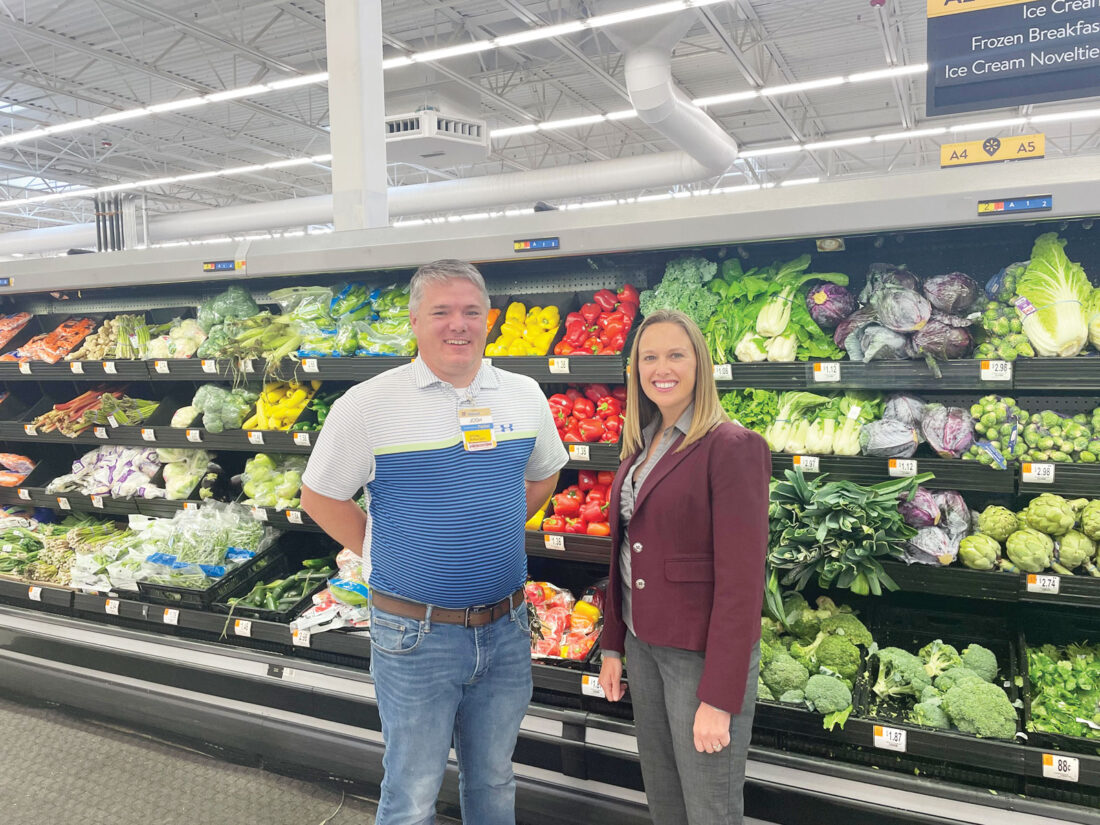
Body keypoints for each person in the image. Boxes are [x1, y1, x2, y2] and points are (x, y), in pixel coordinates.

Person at [300, 259, 567, 825]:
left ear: (489, 320)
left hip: (506, 629)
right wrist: (386, 547)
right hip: (413, 635)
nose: (458, 325)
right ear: (415, 320)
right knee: (413, 791)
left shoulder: (523, 395)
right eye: (441, 312)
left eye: (471, 311)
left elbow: (546, 472)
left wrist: (493, 524)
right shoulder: (368, 405)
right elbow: (319, 496)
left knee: (495, 778)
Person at [596, 308, 771, 825]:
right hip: (643, 646)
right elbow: (626, 550)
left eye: (676, 354)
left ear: (701, 364)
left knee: (709, 806)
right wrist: (613, 643)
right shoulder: (643, 444)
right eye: (648, 357)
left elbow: (742, 584)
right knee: (665, 799)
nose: (661, 368)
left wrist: (720, 697)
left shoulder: (731, 446)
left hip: (698, 660)